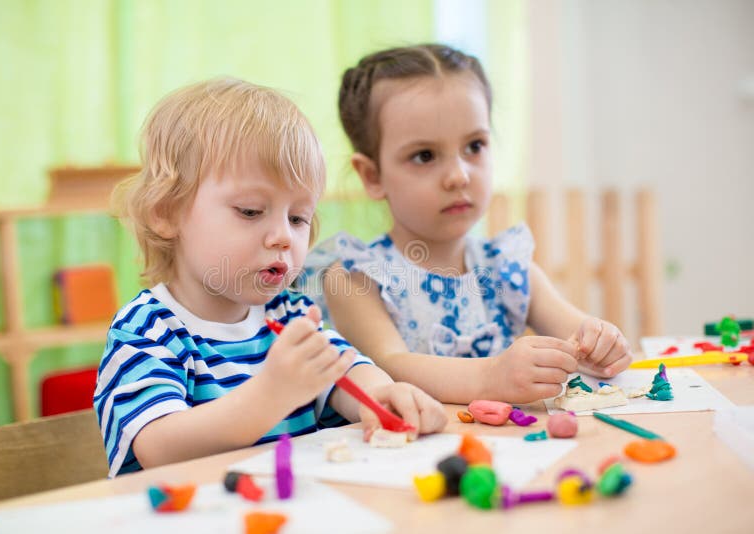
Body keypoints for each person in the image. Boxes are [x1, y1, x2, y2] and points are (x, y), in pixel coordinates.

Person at [94, 78, 446, 477]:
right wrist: (270, 395)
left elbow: (346, 371)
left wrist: (383, 395)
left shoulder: (290, 312)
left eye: (298, 218)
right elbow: (159, 447)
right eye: (250, 211)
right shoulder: (147, 328)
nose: (283, 236)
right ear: (166, 213)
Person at [299, 44, 633, 406]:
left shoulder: (510, 269)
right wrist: (490, 377)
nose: (458, 175)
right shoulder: (356, 276)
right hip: (412, 458)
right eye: (424, 155)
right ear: (372, 175)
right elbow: (388, 365)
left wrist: (601, 344)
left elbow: (580, 338)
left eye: (475, 146)